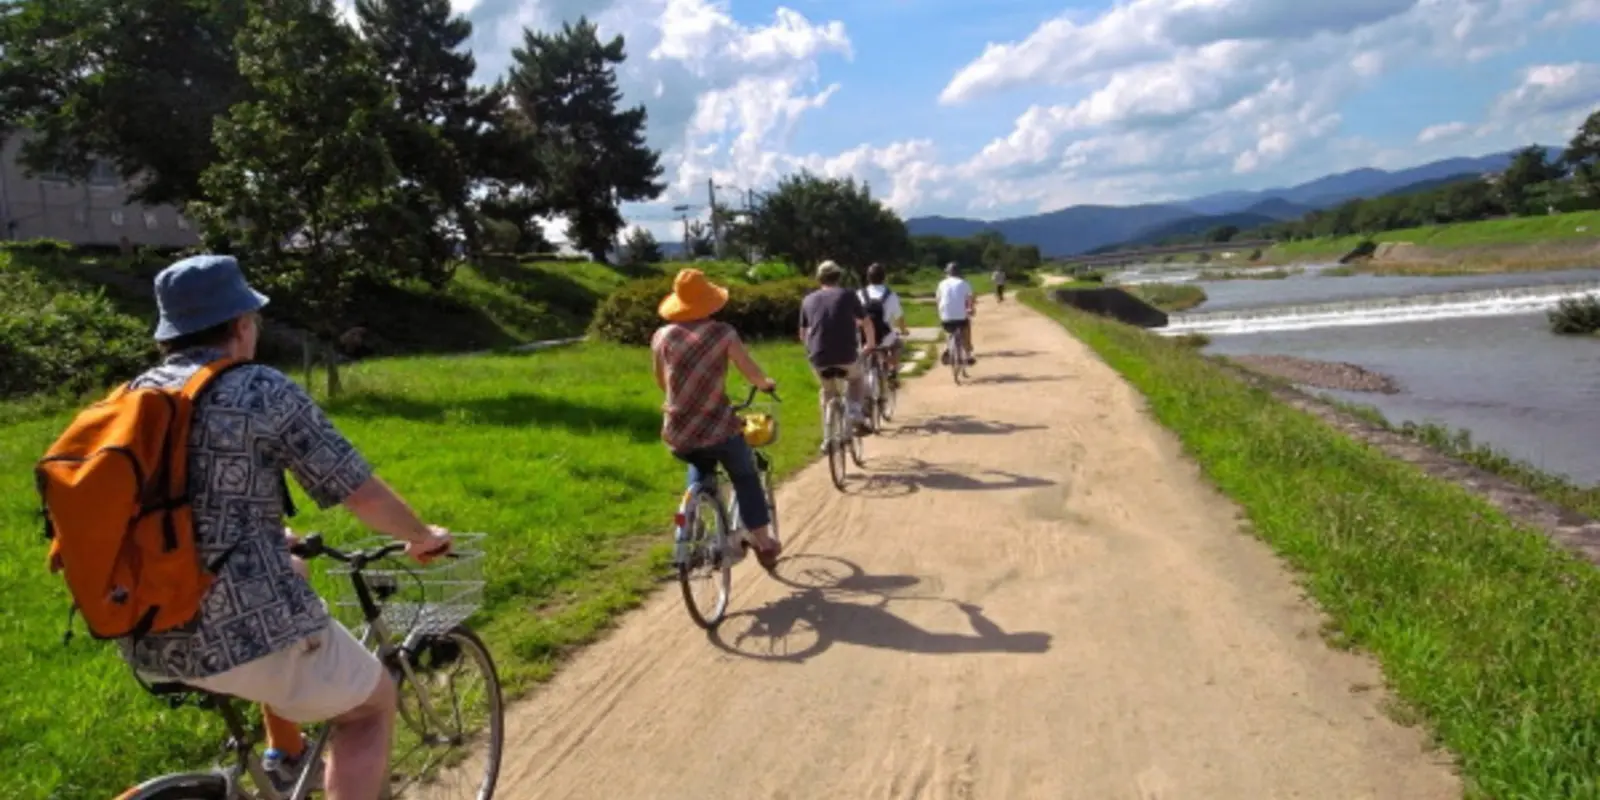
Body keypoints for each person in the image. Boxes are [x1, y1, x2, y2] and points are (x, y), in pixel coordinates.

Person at [123, 254, 453, 798]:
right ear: (241, 324)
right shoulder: (258, 388)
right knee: (370, 706)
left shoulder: (138, 395)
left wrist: (261, 536)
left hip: (146, 629)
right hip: (236, 631)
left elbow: (177, 508)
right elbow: (360, 491)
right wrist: (422, 537)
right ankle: (292, 752)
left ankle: (285, 754)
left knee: (293, 577)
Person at [651, 268, 782, 568]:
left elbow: (661, 381)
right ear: (708, 302)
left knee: (699, 462)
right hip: (718, 427)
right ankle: (764, 543)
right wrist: (765, 384)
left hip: (678, 430)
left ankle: (692, 527)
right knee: (745, 476)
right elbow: (749, 370)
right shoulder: (723, 333)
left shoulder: (661, 336)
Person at [800, 260, 876, 434]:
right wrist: (870, 344)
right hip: (846, 355)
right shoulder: (848, 295)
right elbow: (866, 322)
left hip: (818, 357)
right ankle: (855, 412)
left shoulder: (807, 300)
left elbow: (803, 334)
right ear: (839, 277)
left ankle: (827, 436)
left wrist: (811, 351)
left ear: (819, 278)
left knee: (827, 391)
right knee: (856, 379)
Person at [858, 262, 909, 386]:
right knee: (897, 345)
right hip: (884, 337)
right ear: (884, 278)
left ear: (868, 278)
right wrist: (904, 331)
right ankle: (893, 370)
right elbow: (899, 317)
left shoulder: (859, 294)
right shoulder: (891, 295)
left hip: (865, 338)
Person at [937, 261, 976, 365]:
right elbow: (970, 299)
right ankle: (968, 355)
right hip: (961, 317)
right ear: (959, 272)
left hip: (946, 316)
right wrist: (971, 309)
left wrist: (940, 312)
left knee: (948, 330)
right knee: (966, 329)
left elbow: (938, 300)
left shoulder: (941, 284)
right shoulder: (964, 283)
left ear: (947, 272)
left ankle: (947, 347)